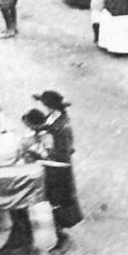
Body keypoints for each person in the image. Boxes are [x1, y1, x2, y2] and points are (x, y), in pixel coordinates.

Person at [31, 91, 81, 244]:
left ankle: (59, 231)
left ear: (50, 106)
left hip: (59, 166)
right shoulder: (53, 118)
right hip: (52, 162)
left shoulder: (63, 126)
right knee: (53, 196)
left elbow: (65, 151)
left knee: (58, 198)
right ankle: (57, 229)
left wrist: (43, 153)